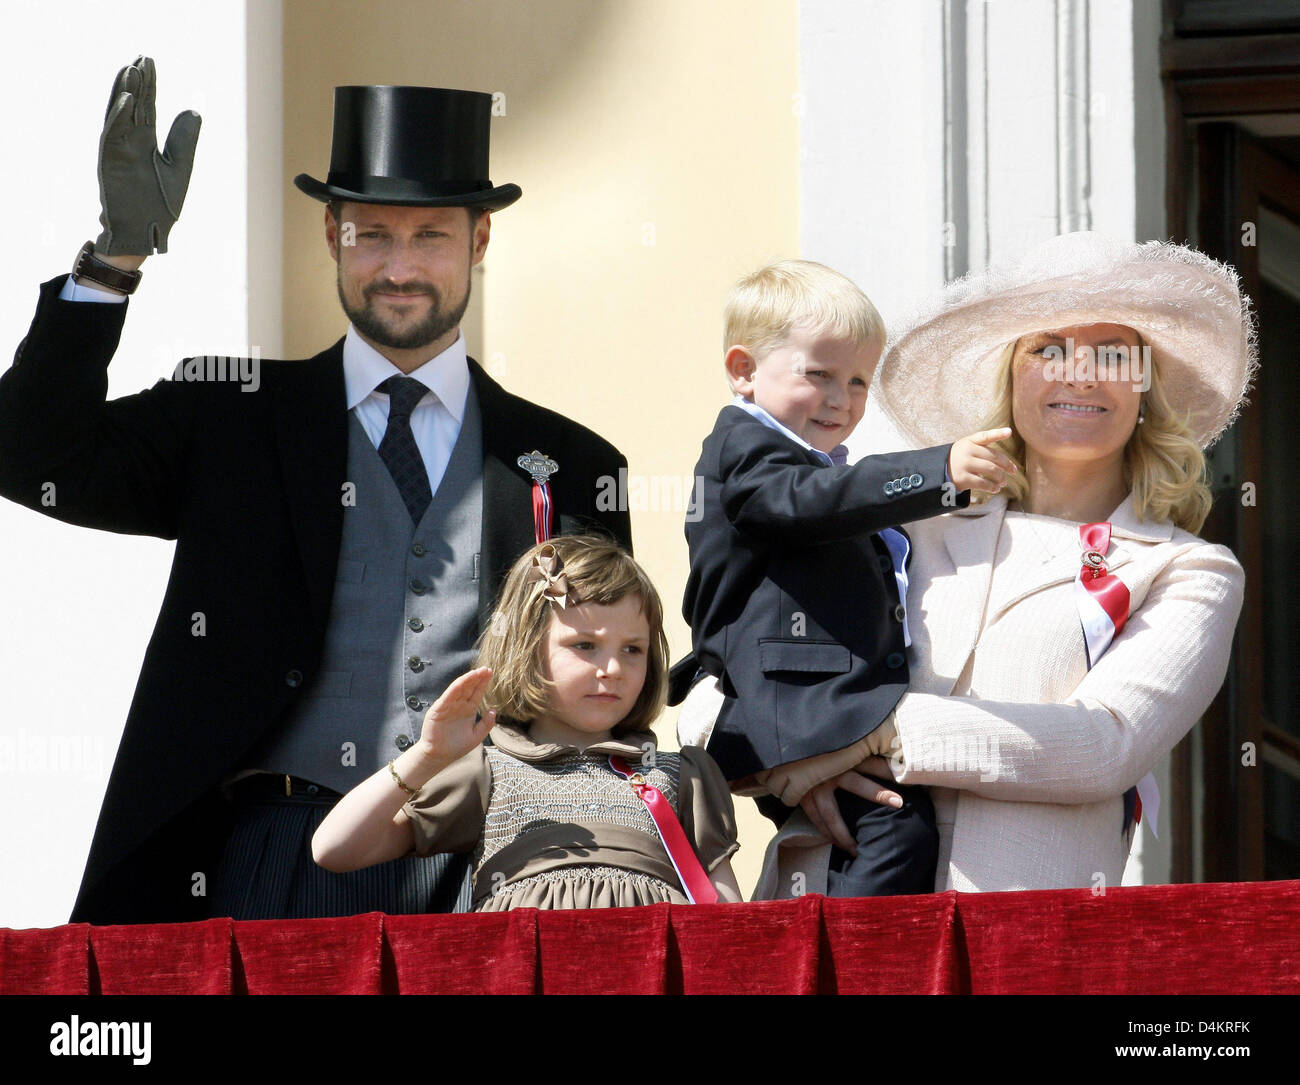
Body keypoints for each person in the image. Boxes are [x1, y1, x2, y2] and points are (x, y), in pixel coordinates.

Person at [0, 58, 632, 924]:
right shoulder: (230, 416)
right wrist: (114, 262)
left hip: (496, 859)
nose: (398, 267)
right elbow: (33, 457)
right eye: (370, 234)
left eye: (430, 237)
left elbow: (607, 678)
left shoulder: (568, 459)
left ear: (480, 242)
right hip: (275, 856)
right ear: (330, 234)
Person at [749, 231, 1251, 896]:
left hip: (1023, 945)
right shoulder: (898, 524)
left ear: (1144, 390)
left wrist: (869, 733)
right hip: (822, 922)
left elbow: (1104, 746)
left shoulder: (1188, 572)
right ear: (1009, 375)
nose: (1079, 373)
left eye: (1111, 354)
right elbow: (734, 676)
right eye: (1048, 348)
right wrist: (799, 754)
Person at [678, 260, 1014, 896]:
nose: (841, 398)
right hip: (783, 705)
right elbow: (807, 502)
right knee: (896, 833)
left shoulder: (815, 466)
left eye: (859, 381)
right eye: (819, 375)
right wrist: (936, 470)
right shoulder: (746, 449)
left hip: (809, 708)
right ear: (743, 371)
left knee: (882, 836)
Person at [313, 535, 742, 908]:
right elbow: (334, 848)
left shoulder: (681, 775)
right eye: (586, 645)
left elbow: (729, 921)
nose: (612, 667)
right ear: (528, 647)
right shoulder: (489, 771)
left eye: (633, 649)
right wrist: (425, 757)